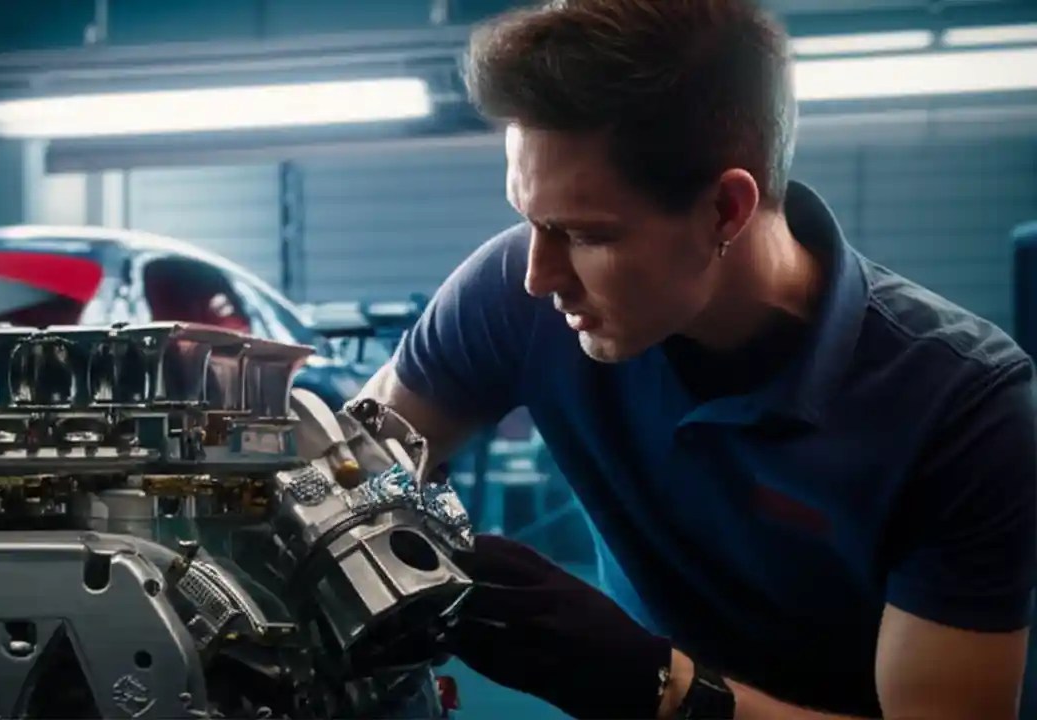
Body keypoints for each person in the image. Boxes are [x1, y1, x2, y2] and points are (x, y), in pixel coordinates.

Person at [355, 1, 1037, 718]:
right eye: (528, 219)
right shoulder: (514, 297)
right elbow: (346, 478)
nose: (538, 274)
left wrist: (659, 686)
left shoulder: (965, 409)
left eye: (585, 234)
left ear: (725, 212)